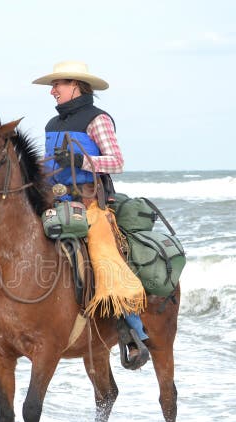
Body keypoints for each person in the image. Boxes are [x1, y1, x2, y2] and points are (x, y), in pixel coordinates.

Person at [32, 60, 150, 368]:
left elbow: (118, 162)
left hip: (91, 205)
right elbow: (49, 166)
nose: (52, 91)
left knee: (104, 256)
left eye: (57, 84)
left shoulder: (97, 120)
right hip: (56, 203)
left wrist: (81, 161)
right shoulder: (51, 125)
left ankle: (133, 332)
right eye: (52, 85)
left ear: (77, 86)